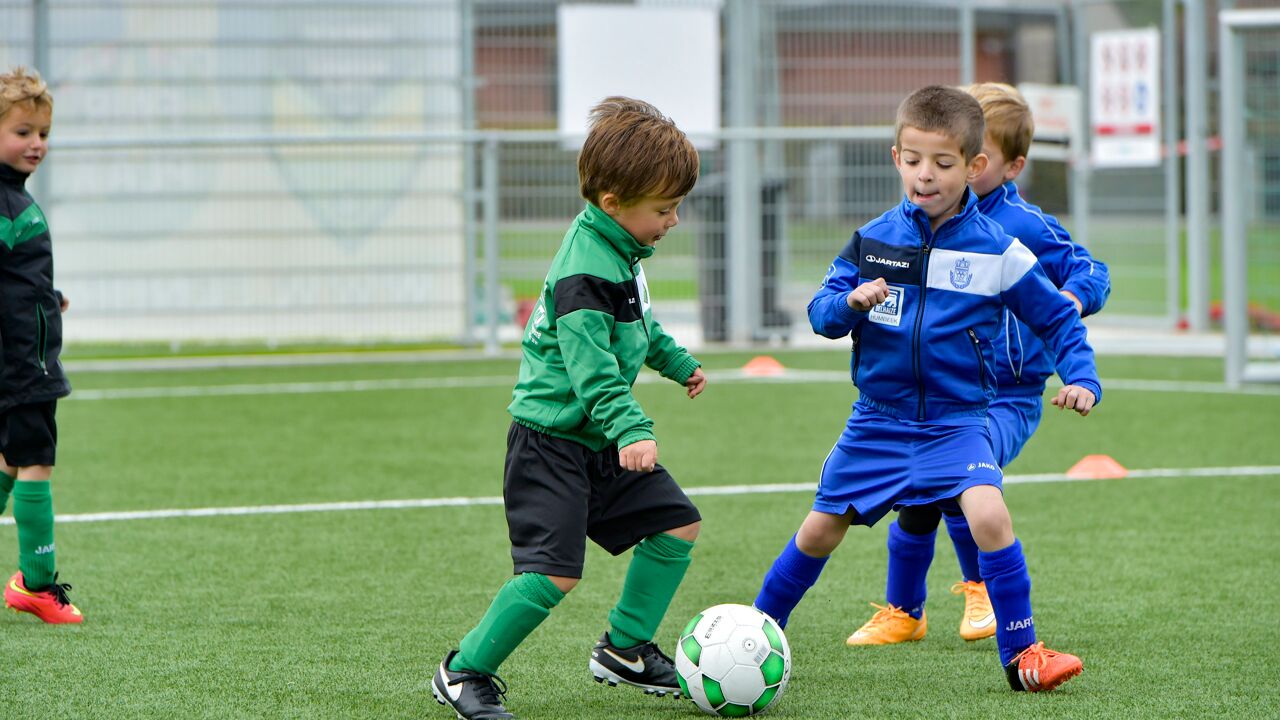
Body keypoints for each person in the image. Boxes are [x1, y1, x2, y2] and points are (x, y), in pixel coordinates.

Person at [752, 85, 1099, 692]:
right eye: (914, 160)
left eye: (943, 163)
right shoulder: (875, 240)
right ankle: (754, 635)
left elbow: (1055, 317)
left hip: (958, 417)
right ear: (896, 158)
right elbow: (820, 311)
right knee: (818, 530)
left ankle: (1023, 657)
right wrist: (849, 304)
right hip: (877, 420)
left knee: (988, 512)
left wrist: (1081, 377)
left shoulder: (998, 249)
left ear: (974, 167)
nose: (926, 175)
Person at [432, 96, 706, 720]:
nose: (674, 220)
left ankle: (626, 649)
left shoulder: (622, 254)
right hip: (552, 444)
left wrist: (676, 362)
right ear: (614, 204)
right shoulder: (585, 272)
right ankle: (464, 669)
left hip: (595, 439)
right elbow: (591, 372)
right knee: (551, 575)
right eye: (664, 209)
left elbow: (638, 327)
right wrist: (633, 426)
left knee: (676, 524)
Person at [846, 82, 1110, 647]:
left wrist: (1072, 299)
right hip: (947, 391)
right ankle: (904, 610)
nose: (955, 166)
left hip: (1006, 394)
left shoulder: (1023, 227)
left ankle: (980, 587)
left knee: (959, 479)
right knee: (919, 490)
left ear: (1006, 164)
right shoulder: (921, 222)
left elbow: (1092, 271)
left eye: (966, 155)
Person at [0, 66, 81, 624]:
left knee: (9, 458)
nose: (37, 144)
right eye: (23, 131)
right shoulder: (6, 205)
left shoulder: (12, 199)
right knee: (36, 461)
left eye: (44, 133)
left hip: (21, 351)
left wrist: (46, 297)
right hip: (23, 362)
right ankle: (38, 584)